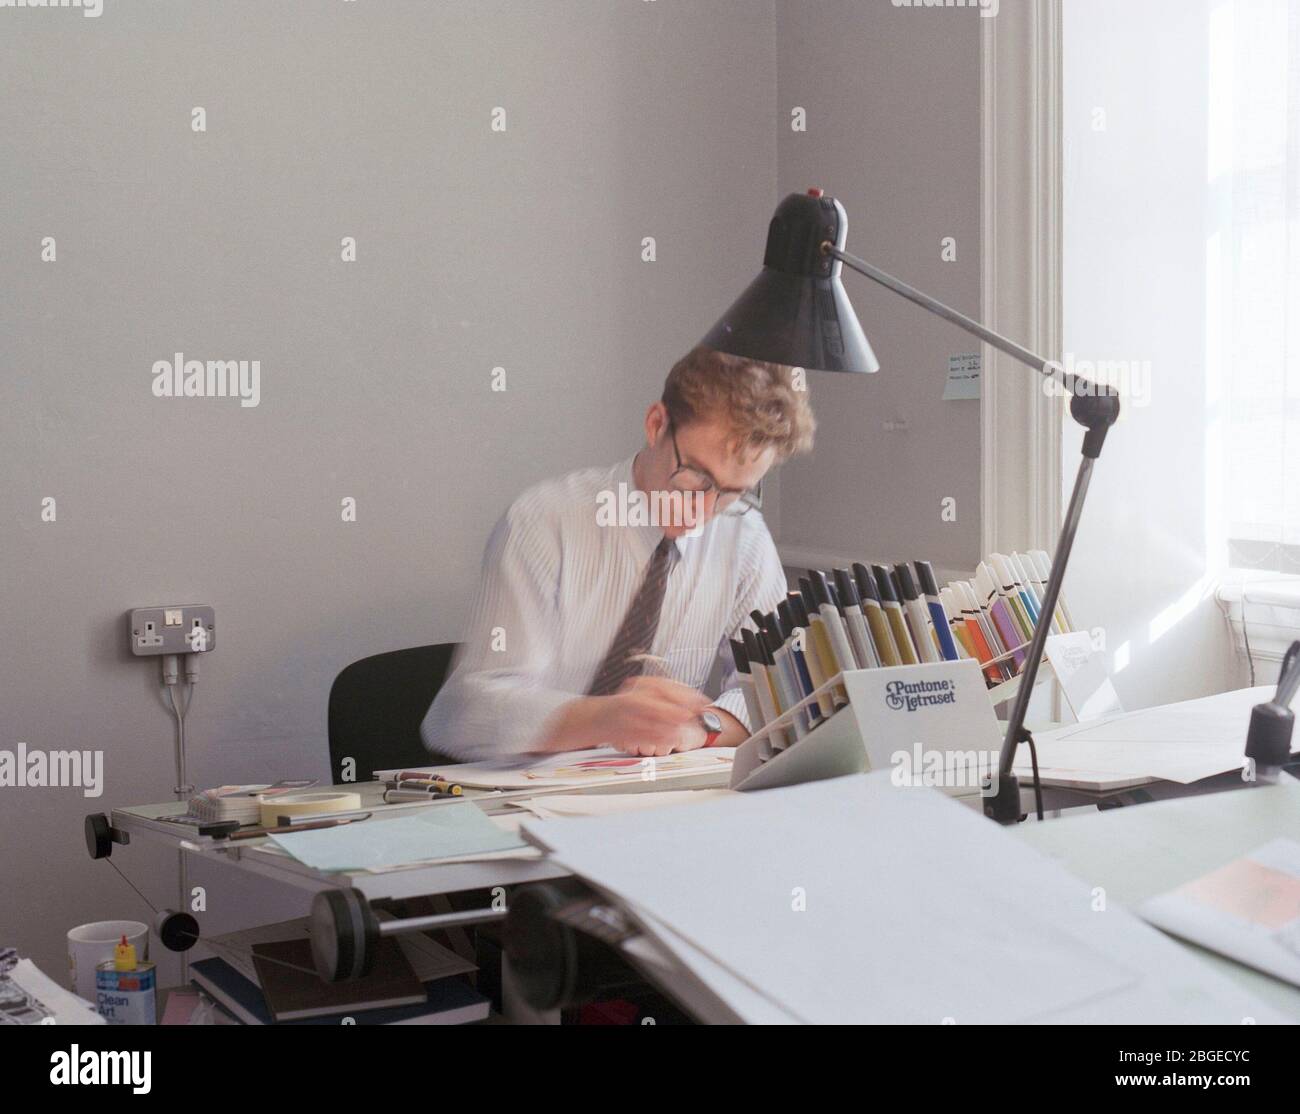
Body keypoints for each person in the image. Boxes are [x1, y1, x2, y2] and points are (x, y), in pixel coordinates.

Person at [422, 345, 815, 762]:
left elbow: (778, 694)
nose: (702, 512)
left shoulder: (744, 537)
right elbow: (460, 717)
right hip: (529, 795)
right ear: (656, 424)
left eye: (731, 493)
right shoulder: (544, 521)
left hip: (656, 801)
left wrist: (702, 726)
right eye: (695, 478)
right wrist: (604, 719)